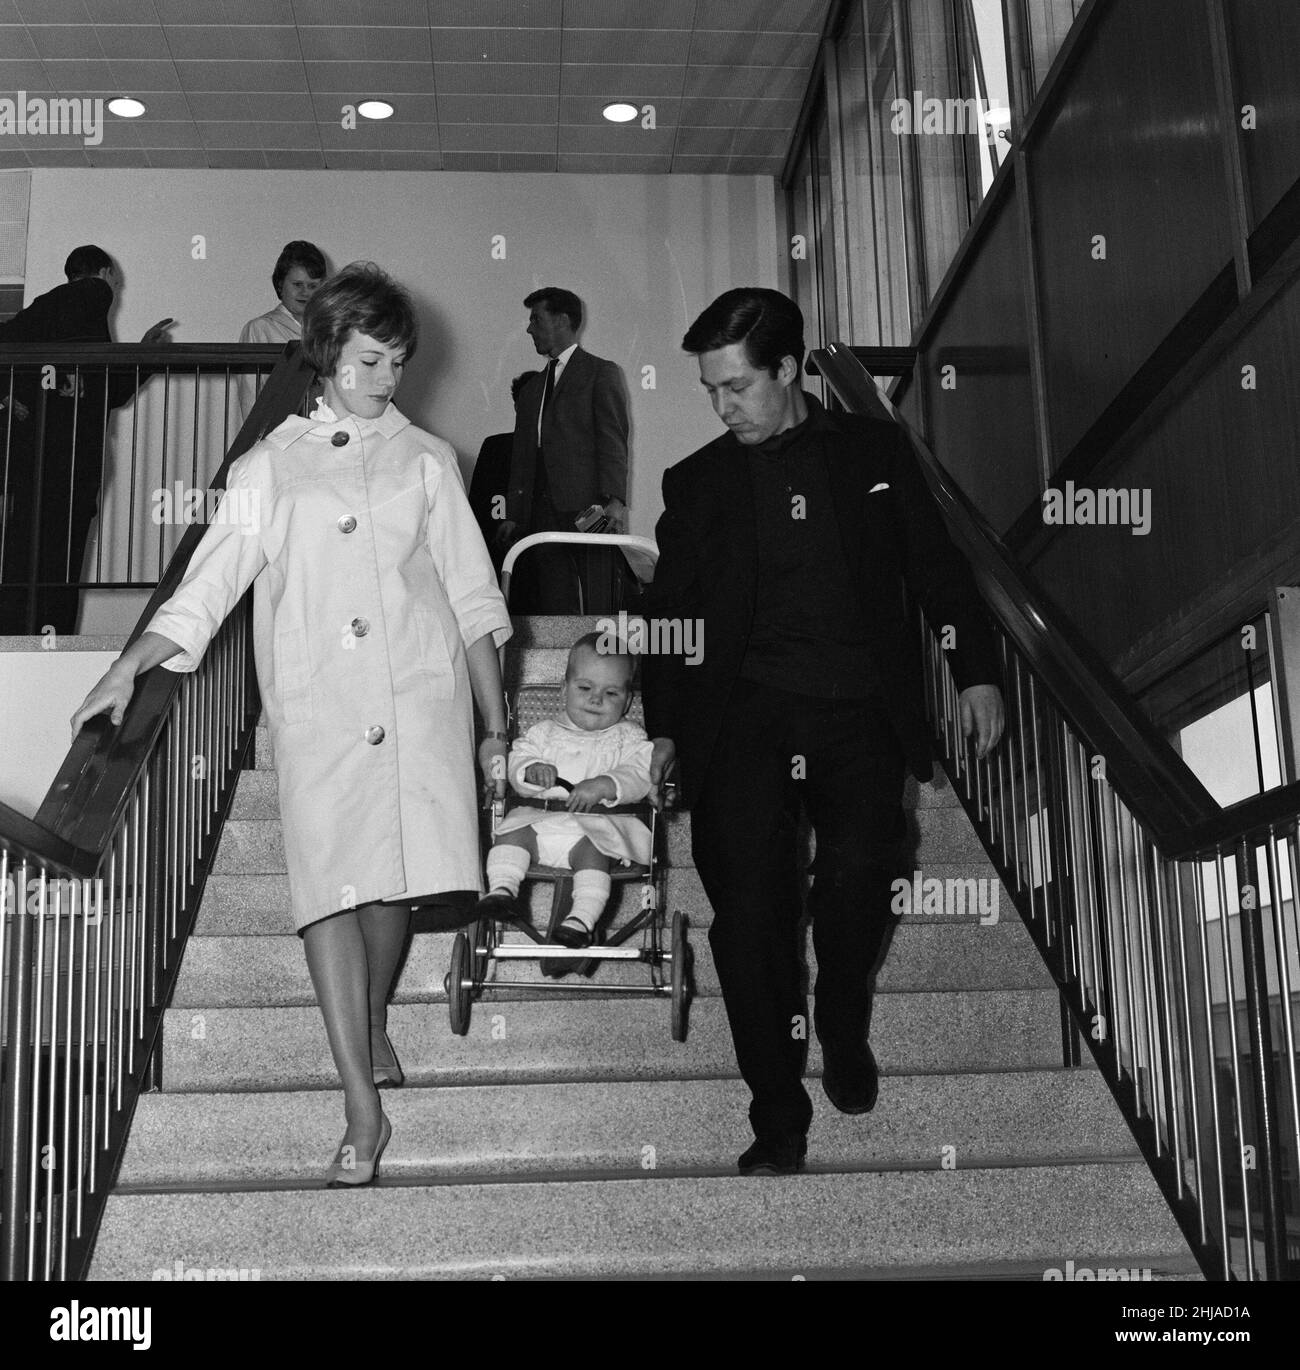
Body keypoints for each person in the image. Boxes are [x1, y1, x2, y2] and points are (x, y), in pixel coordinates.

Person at [70, 262, 512, 1188]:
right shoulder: (270, 463)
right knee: (325, 890)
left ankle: (376, 1015)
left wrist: (494, 725)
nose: (384, 378)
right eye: (366, 360)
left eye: (395, 360)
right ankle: (361, 1105)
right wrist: (127, 664)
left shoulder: (430, 459)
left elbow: (474, 598)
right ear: (325, 357)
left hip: (418, 705)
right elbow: (209, 584)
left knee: (392, 888)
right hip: (316, 709)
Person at [641, 287, 1005, 1176]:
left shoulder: (873, 452)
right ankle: (777, 1113)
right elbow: (670, 618)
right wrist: (663, 732)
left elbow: (936, 569)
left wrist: (978, 671)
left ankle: (841, 1016)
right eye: (711, 392)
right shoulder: (696, 483)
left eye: (738, 387)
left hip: (856, 713)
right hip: (744, 722)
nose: (725, 408)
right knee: (750, 920)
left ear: (792, 369)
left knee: (858, 881)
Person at [0, 244, 173, 633]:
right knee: (62, 556)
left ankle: (15, 635)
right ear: (105, 273)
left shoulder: (43, 311)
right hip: (74, 456)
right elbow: (107, 391)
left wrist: (16, 395)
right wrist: (144, 356)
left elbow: (97, 388)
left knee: (23, 550)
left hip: (30, 456)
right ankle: (50, 636)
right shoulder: (93, 296)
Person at [476, 633, 653, 948]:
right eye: (585, 688)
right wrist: (528, 769)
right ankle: (502, 891)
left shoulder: (630, 737)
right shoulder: (544, 731)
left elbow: (640, 773)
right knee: (511, 833)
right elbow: (517, 757)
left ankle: (581, 919)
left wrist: (607, 784)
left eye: (611, 692)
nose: (596, 699)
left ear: (627, 701)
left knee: (596, 851)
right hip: (541, 823)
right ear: (564, 689)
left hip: (597, 828)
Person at [500, 287, 630, 613]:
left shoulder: (602, 372)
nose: (529, 328)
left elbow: (613, 439)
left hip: (591, 507)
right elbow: (522, 459)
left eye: (536, 319)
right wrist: (515, 516)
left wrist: (614, 501)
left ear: (562, 320)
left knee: (599, 590)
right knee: (554, 595)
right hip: (542, 510)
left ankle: (600, 658)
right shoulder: (530, 391)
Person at [235, 240, 327, 424]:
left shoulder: (330, 330)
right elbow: (250, 394)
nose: (305, 292)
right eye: (297, 284)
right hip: (281, 433)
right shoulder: (260, 328)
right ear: (280, 285)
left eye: (312, 286)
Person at [468, 371, 536, 575]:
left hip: (546, 559)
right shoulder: (495, 447)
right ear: (517, 405)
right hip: (497, 554)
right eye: (527, 401)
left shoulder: (564, 455)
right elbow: (477, 505)